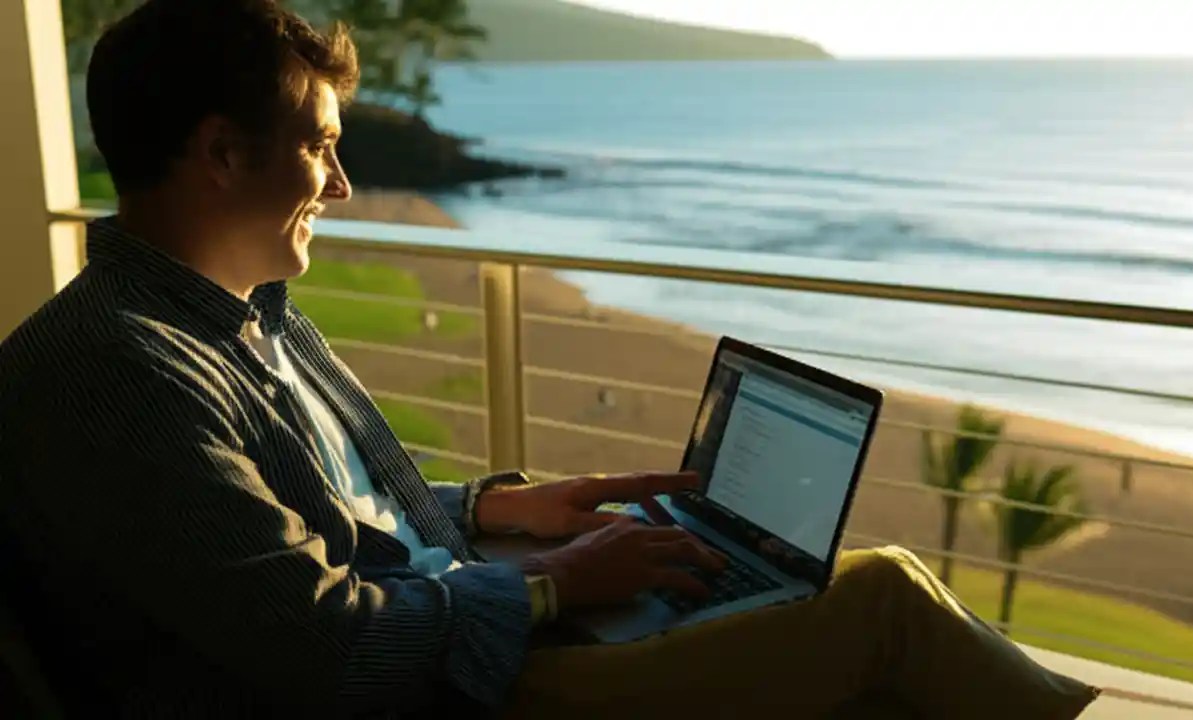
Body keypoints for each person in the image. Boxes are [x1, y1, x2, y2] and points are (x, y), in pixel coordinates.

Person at [0, 1, 1099, 717]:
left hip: (462, 630)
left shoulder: (243, 321)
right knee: (882, 608)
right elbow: (323, 652)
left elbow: (299, 522)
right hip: (445, 694)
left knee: (815, 600)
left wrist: (496, 511)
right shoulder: (119, 370)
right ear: (221, 152)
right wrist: (545, 589)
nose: (339, 188)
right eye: (321, 147)